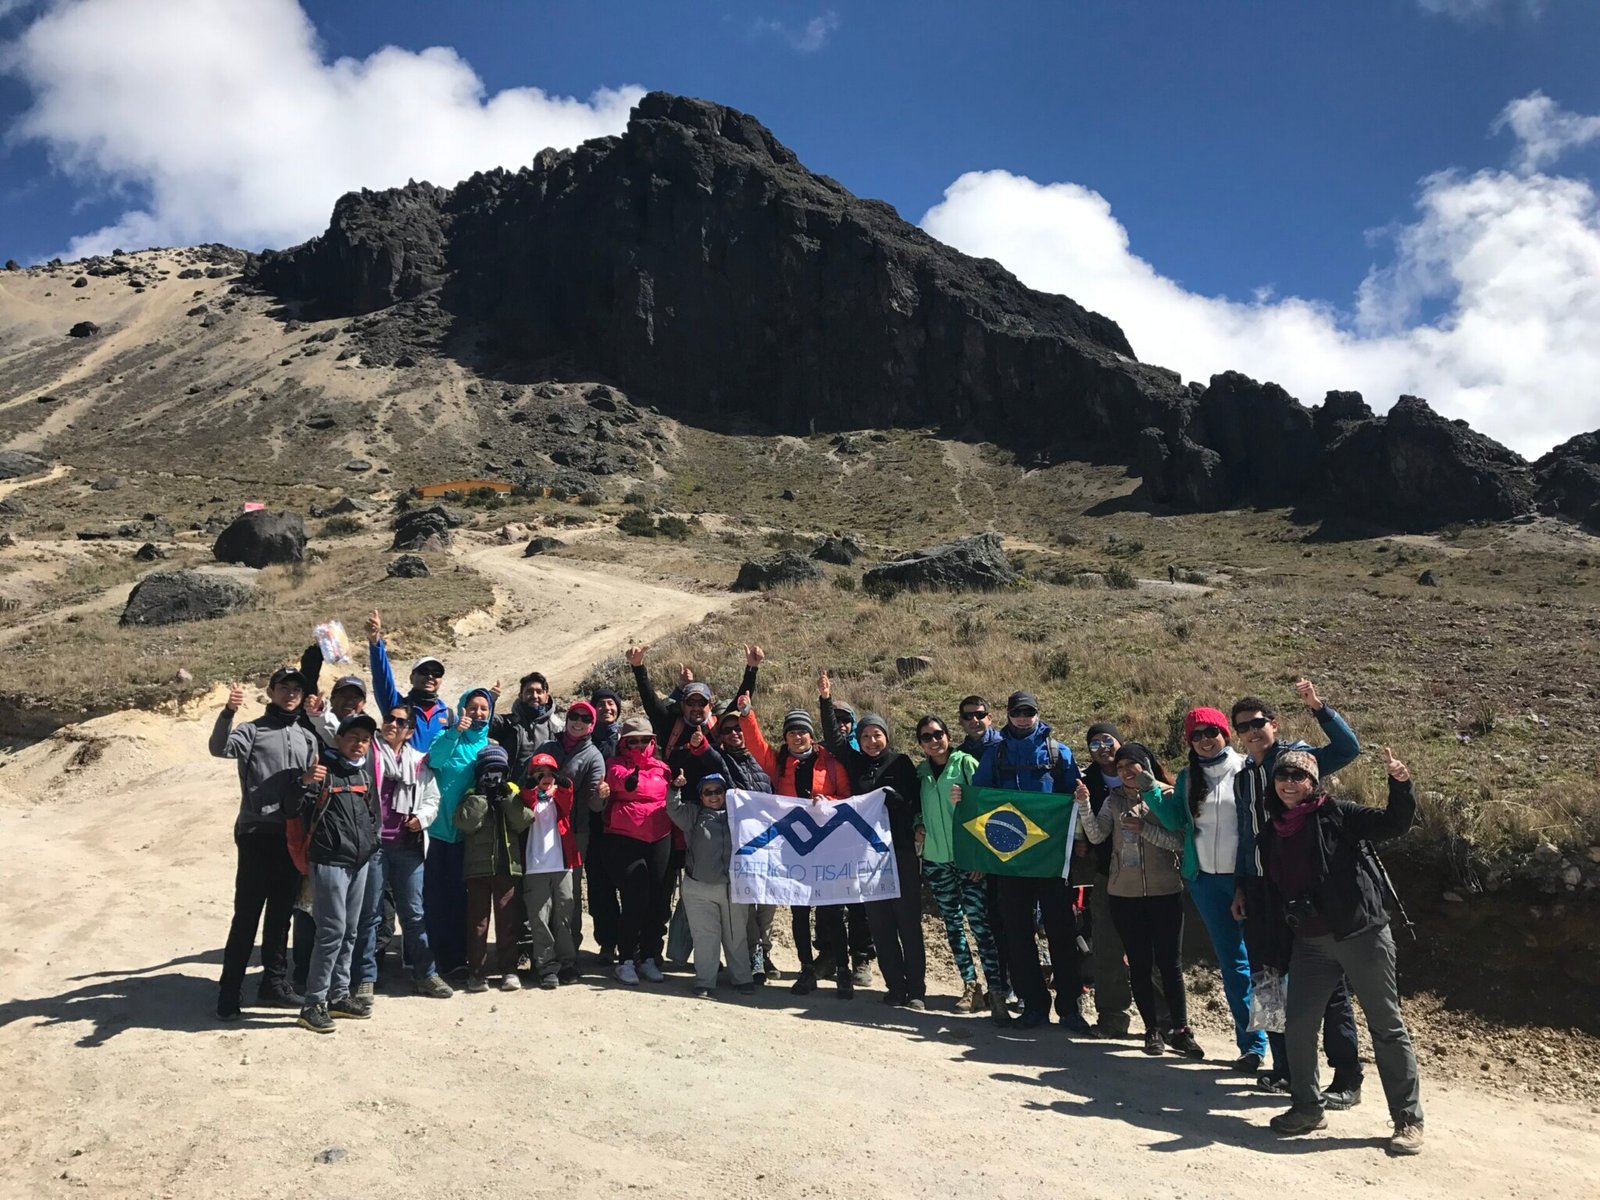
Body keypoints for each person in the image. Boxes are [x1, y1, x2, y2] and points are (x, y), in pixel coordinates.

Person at [1262, 748, 1424, 1156]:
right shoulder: (1272, 830)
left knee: (1386, 1026)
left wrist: (1400, 784)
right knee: (1298, 1025)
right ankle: (1307, 1108)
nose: (1288, 783)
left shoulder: (1338, 814)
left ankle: (1408, 1119)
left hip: (1361, 935)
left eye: (1298, 776)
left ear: (1313, 783)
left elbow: (1394, 824)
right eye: (1283, 776)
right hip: (1311, 943)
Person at [1231, 681, 1364, 1103]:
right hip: (1259, 890)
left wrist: (1320, 708)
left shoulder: (1298, 760)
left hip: (1301, 889)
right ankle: (1285, 1068)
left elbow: (1347, 750)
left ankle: (1346, 1077)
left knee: (1327, 982)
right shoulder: (1243, 778)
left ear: (1274, 723)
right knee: (1267, 978)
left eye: (1257, 723)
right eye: (1243, 727)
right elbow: (1246, 836)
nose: (1252, 732)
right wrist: (1240, 886)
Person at [972, 691, 1091, 1032]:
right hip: (1010, 860)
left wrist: (1079, 839)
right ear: (1007, 715)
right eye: (1017, 712)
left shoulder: (1058, 752)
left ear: (1038, 714)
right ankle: (1034, 1006)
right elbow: (979, 801)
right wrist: (960, 798)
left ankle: (1070, 1008)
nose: (1023, 718)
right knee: (1017, 934)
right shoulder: (994, 754)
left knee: (1062, 932)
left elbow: (1074, 802)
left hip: (1051, 860)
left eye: (1029, 712)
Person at [1075, 743, 1203, 1058]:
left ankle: (1181, 1030)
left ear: (1146, 765)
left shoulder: (1168, 796)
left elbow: (1180, 840)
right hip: (1124, 894)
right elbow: (1096, 835)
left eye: (1132, 765)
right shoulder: (1113, 800)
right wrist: (1084, 804)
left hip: (1166, 891)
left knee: (1170, 965)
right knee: (1140, 965)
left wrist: (1146, 830)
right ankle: (1152, 1030)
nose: (1126, 772)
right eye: (1120, 768)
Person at [209, 667, 319, 1020]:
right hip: (257, 833)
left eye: (296, 689)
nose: (290, 694)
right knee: (247, 915)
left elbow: (313, 785)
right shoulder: (252, 730)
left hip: (291, 835)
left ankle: (273, 984)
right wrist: (228, 712)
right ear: (270, 691)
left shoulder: (307, 735)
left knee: (281, 916)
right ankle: (229, 992)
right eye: (283, 687)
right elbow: (219, 747)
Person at [820, 674, 924, 1009]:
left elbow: (915, 801)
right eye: (865, 735)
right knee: (880, 924)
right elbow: (835, 742)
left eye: (876, 734)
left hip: (902, 853)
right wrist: (825, 700)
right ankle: (895, 987)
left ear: (886, 736)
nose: (871, 740)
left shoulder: (902, 763)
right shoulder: (856, 763)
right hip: (867, 858)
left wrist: (897, 802)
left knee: (907, 922)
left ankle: (917, 991)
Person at [738, 702, 855, 997]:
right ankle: (806, 970)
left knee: (831, 913)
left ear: (811, 735)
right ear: (786, 737)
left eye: (802, 731)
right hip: (794, 850)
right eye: (791, 732)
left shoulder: (829, 763)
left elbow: (847, 797)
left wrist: (826, 799)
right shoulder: (778, 763)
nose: (797, 737)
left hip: (827, 847)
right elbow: (755, 744)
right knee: (800, 913)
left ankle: (843, 970)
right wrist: (746, 713)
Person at [1175, 707, 1266, 1069]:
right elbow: (1175, 820)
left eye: (1210, 731)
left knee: (1266, 965)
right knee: (1233, 966)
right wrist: (1150, 790)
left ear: (1225, 733)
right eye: (1196, 735)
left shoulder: (1248, 768)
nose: (1204, 740)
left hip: (1247, 879)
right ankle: (1252, 1046)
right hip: (1205, 882)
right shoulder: (1187, 777)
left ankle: (1287, 1053)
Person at [914, 714, 1007, 1022]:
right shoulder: (922, 773)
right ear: (921, 744)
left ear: (947, 735)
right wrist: (917, 825)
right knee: (953, 925)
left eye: (937, 734)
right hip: (936, 859)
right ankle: (970, 986)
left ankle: (997, 990)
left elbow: (985, 807)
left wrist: (981, 855)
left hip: (969, 860)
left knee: (981, 925)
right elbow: (919, 810)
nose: (933, 741)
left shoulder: (965, 763)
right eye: (926, 737)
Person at [293, 713, 382, 1033]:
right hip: (329, 861)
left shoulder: (363, 775)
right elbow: (294, 806)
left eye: (365, 740)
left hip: (358, 862)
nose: (360, 744)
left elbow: (371, 814)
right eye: (354, 737)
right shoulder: (323, 773)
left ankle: (339, 995)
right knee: (331, 932)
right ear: (339, 739)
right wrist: (304, 782)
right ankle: (312, 1003)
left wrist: (370, 844)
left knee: (350, 931)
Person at [365, 703, 452, 999]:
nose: (393, 724)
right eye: (389, 719)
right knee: (371, 914)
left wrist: (422, 818)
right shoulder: (368, 755)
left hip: (407, 847)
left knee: (414, 914)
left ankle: (425, 975)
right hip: (373, 847)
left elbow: (432, 798)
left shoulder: (418, 762)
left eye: (400, 722)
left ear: (409, 731)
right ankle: (365, 977)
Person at [1077, 721, 1157, 1038]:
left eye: (1107, 741)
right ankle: (1112, 1016)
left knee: (1153, 950)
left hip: (1154, 878)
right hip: (1108, 873)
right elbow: (1089, 829)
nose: (1102, 749)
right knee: (1108, 949)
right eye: (1093, 744)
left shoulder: (1153, 781)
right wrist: (1080, 834)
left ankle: (1165, 1018)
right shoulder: (1087, 782)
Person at [695, 696, 781, 983]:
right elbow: (707, 746)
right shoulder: (724, 763)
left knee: (768, 902)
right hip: (741, 844)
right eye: (727, 730)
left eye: (738, 728)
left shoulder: (765, 759)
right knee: (746, 903)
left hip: (770, 842)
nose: (734, 733)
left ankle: (764, 950)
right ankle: (754, 953)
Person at [535, 701, 612, 967]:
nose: (577, 721)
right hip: (540, 829)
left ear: (592, 726)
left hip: (574, 831)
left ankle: (569, 953)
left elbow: (593, 804)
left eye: (584, 718)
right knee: (541, 890)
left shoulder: (593, 756)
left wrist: (601, 796)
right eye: (574, 716)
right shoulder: (548, 747)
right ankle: (543, 953)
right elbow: (529, 779)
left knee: (568, 894)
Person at [599, 717, 675, 985]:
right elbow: (621, 782)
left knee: (657, 900)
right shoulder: (615, 765)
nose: (640, 744)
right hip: (625, 838)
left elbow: (672, 794)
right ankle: (626, 960)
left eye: (645, 739)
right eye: (634, 740)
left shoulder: (663, 768)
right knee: (634, 897)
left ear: (652, 742)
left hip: (659, 836)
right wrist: (633, 780)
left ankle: (650, 957)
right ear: (624, 743)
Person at [425, 687, 495, 976]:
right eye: (473, 707)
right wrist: (454, 732)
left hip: (470, 837)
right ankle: (432, 957)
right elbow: (434, 761)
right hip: (438, 834)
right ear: (463, 708)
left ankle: (458, 959)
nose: (478, 713)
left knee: (462, 900)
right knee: (434, 898)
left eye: (484, 708)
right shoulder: (447, 737)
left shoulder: (489, 746)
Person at [667, 772, 756, 998]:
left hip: (733, 888)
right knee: (705, 935)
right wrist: (675, 788)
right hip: (699, 888)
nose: (714, 796)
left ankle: (742, 978)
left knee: (736, 935)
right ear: (701, 795)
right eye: (708, 792)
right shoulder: (693, 815)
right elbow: (673, 809)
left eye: (719, 791)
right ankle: (705, 981)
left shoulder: (740, 815)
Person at [454, 743, 532, 993]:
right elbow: (465, 824)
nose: (493, 776)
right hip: (477, 870)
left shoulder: (512, 792)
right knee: (478, 922)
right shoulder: (471, 794)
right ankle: (477, 972)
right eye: (489, 771)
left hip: (507, 867)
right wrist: (482, 797)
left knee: (508, 920)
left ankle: (509, 970)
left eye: (498, 771)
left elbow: (523, 821)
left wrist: (506, 798)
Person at [958, 694, 1009, 1005]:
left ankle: (1020, 987)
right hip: (980, 850)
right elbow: (968, 810)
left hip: (1009, 845)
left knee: (1013, 923)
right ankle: (999, 987)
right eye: (967, 716)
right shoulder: (959, 756)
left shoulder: (1004, 748)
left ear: (990, 717)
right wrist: (978, 855)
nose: (974, 720)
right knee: (987, 924)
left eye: (979, 714)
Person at [519, 753, 581, 988]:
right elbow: (527, 799)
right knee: (540, 918)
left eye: (550, 774)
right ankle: (547, 966)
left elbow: (568, 798)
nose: (546, 779)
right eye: (539, 774)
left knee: (564, 914)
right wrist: (531, 786)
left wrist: (564, 786)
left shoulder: (559, 798)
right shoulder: (529, 797)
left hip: (562, 864)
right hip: (535, 867)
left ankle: (567, 963)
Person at [366, 609, 453, 752]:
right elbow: (382, 679)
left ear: (441, 680)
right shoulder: (397, 705)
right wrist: (376, 642)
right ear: (412, 677)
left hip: (432, 775)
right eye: (424, 672)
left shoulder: (448, 716)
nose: (430, 677)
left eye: (436, 673)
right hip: (401, 772)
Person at [490, 671, 561, 767]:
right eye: (529, 691)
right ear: (520, 696)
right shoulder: (508, 723)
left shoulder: (557, 728)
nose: (534, 696)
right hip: (510, 782)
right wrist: (489, 701)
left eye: (539, 692)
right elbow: (483, 722)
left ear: (547, 697)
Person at [589, 687, 623, 759]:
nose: (607, 708)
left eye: (610, 703)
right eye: (601, 704)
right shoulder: (585, 738)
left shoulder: (626, 737)